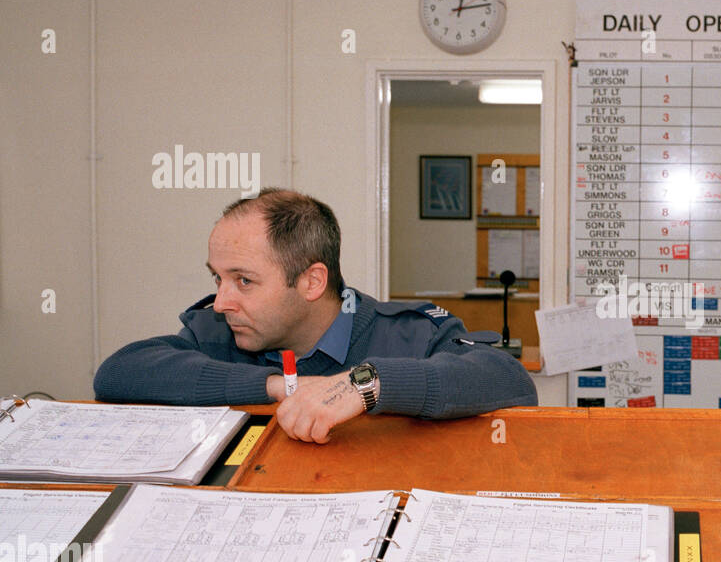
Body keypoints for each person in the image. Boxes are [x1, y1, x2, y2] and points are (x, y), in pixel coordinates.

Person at [94, 188, 537, 440]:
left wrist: (364, 383)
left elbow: (509, 380)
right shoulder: (217, 330)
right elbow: (118, 374)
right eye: (218, 278)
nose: (223, 301)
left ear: (311, 281)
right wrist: (280, 387)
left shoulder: (408, 335)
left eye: (244, 281)